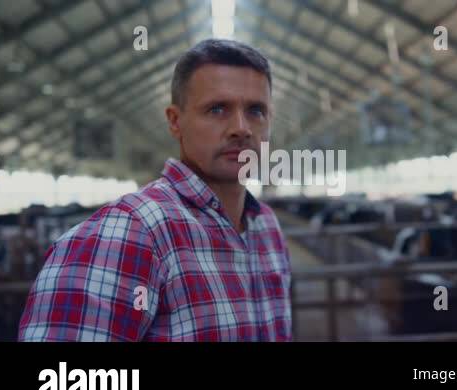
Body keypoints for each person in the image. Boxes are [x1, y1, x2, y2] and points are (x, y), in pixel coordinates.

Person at [18, 39, 292, 341]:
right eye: (217, 109)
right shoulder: (127, 234)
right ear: (175, 122)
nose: (241, 127)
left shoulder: (266, 227)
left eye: (256, 110)